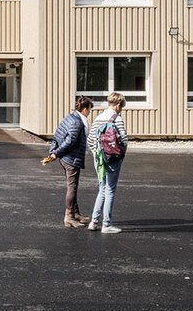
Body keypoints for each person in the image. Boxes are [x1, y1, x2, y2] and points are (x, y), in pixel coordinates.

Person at [40, 96, 94, 228]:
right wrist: (55, 153)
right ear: (85, 109)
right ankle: (69, 216)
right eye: (90, 110)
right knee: (72, 187)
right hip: (71, 158)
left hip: (65, 158)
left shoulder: (69, 117)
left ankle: (75, 213)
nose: (90, 112)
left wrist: (53, 151)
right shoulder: (78, 122)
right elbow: (70, 142)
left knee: (73, 187)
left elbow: (58, 135)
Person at [86, 92, 129, 234]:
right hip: (113, 158)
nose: (121, 109)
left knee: (102, 189)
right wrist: (121, 156)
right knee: (110, 190)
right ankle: (106, 225)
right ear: (117, 105)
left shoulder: (98, 117)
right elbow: (124, 139)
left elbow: (91, 140)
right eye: (121, 107)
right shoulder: (116, 118)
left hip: (99, 158)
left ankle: (93, 222)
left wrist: (97, 154)